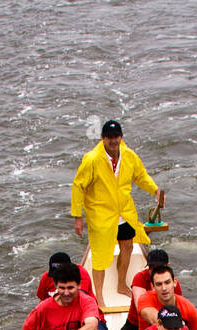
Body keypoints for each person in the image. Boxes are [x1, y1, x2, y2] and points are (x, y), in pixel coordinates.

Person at [70, 120, 163, 307]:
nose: (113, 141)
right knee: (100, 257)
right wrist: (78, 216)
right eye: (109, 137)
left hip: (124, 211)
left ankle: (121, 284)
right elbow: (78, 186)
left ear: (121, 137)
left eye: (116, 137)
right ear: (103, 138)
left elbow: (141, 176)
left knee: (127, 246)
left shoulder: (129, 155)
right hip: (101, 215)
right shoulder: (92, 159)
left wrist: (155, 190)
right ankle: (100, 297)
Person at [110, 247, 184, 330]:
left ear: (168, 266)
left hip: (163, 325)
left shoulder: (173, 284)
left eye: (159, 267)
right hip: (136, 324)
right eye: (152, 268)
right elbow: (141, 308)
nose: (155, 271)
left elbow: (178, 311)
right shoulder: (140, 278)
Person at [137, 264, 197, 330]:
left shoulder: (188, 307)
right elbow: (155, 319)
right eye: (159, 284)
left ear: (174, 283)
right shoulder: (145, 299)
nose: (164, 288)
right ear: (153, 287)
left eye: (167, 283)